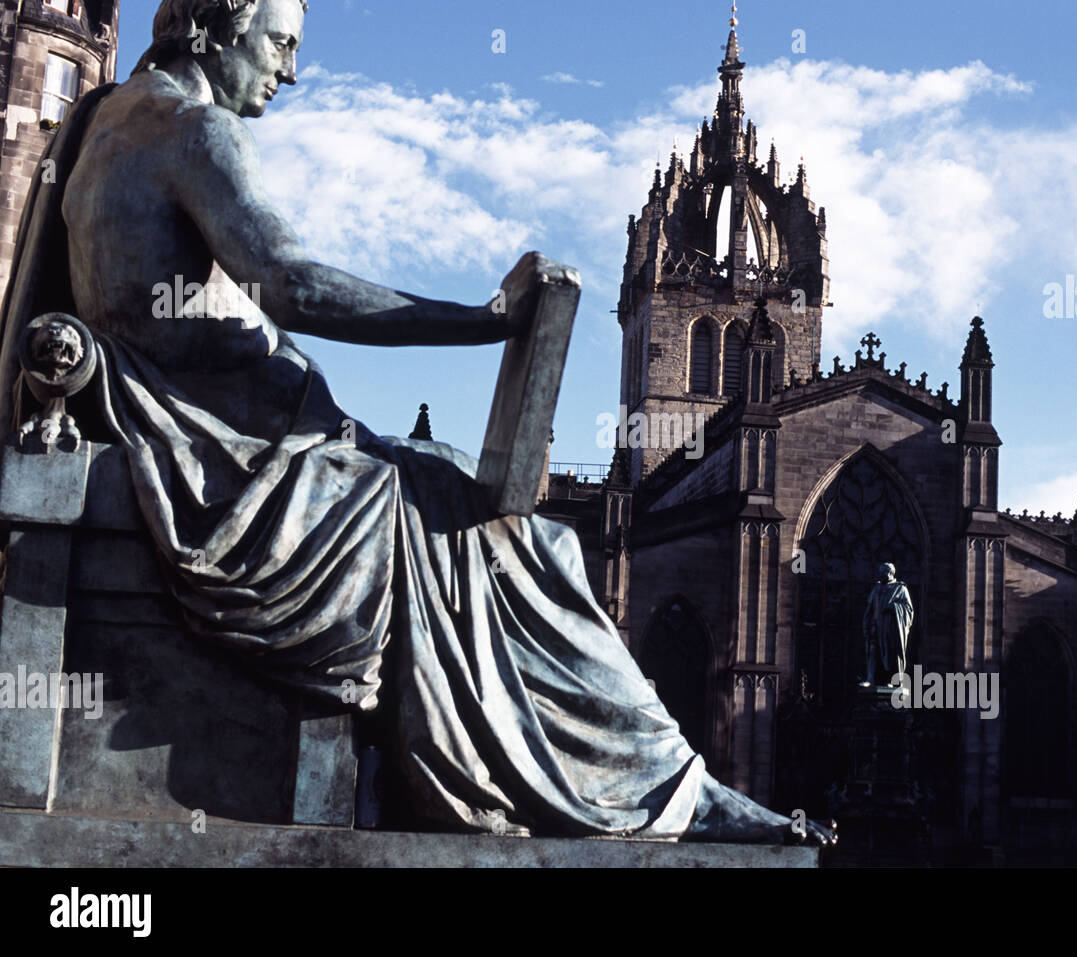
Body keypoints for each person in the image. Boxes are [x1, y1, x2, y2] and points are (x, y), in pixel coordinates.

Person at [0, 0, 834, 845]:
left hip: (209, 433)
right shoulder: (193, 131)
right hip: (222, 456)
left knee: (455, 481)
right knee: (523, 539)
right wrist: (485, 320)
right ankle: (660, 794)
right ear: (217, 27)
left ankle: (645, 781)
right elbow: (294, 283)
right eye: (282, 44)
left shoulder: (96, 122)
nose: (291, 71)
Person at [860, 563, 914, 688]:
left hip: (891, 629)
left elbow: (908, 609)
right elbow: (869, 608)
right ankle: (870, 679)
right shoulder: (877, 588)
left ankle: (893, 681)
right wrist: (866, 625)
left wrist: (892, 607)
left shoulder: (900, 589)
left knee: (892, 655)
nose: (879, 575)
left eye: (882, 572)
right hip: (876, 626)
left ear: (890, 573)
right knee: (873, 652)